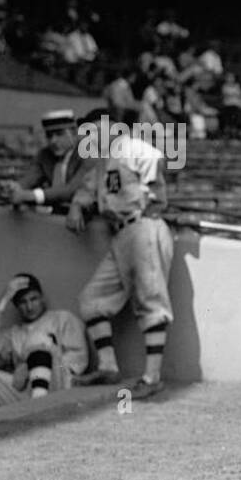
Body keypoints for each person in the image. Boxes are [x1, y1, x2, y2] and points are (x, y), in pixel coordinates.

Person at [66, 128, 174, 400]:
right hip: (121, 233)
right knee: (92, 300)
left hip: (143, 225)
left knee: (151, 301)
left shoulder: (130, 146)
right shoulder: (104, 160)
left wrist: (152, 197)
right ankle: (108, 366)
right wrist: (77, 206)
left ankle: (152, 377)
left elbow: (154, 158)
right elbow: (87, 190)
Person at [0, 274, 89, 405]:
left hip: (58, 382)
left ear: (42, 298)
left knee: (37, 338)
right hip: (24, 390)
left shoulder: (62, 318)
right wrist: (5, 299)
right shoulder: (15, 333)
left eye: (33, 299)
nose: (29, 307)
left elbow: (79, 361)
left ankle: (38, 403)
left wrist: (30, 366)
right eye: (23, 302)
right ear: (17, 306)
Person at [5, 109, 92, 213]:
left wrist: (32, 195)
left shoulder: (88, 153)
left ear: (74, 133)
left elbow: (71, 190)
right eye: (49, 135)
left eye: (59, 134)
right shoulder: (45, 155)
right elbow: (30, 178)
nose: (53, 141)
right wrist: (14, 187)